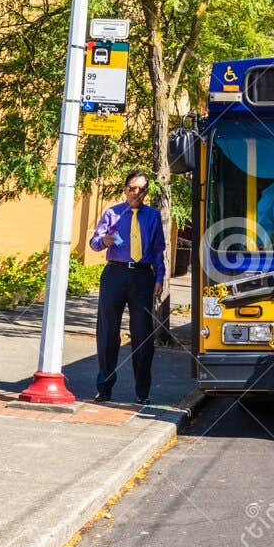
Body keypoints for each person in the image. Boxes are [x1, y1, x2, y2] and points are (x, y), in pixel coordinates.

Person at [89, 170, 168, 404]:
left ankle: (142, 393)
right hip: (115, 273)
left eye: (141, 189)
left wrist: (159, 279)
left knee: (142, 335)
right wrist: (105, 241)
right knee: (107, 333)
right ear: (125, 189)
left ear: (146, 192)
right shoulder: (113, 213)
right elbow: (94, 243)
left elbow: (158, 251)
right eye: (132, 188)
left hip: (142, 276)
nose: (136, 193)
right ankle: (104, 388)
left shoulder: (152, 216)